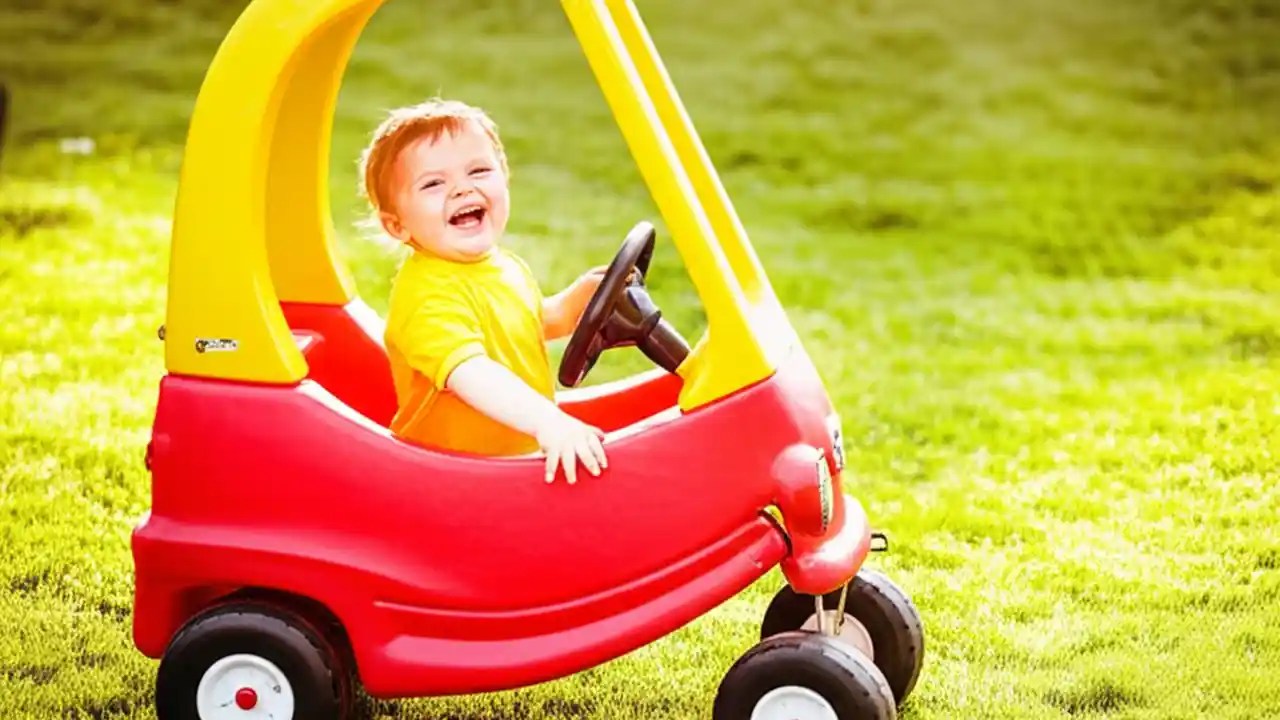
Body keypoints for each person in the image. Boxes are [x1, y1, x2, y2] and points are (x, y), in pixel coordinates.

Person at [358, 98, 608, 484]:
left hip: (511, 464)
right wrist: (548, 421)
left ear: (505, 178)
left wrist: (577, 302)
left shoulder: (502, 266)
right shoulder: (427, 296)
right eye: (434, 183)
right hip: (450, 479)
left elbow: (521, 326)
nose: (462, 189)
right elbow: (470, 371)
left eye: (478, 170)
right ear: (397, 226)